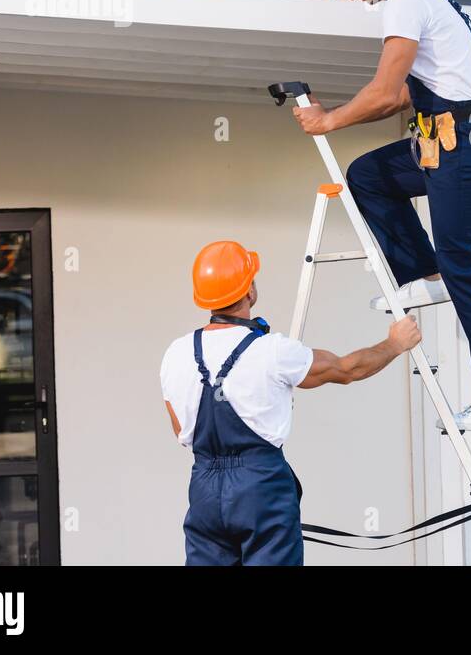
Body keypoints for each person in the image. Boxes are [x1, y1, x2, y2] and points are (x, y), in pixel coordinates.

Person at [290, 0, 471, 432]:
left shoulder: (408, 0)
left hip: (461, 144)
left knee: (469, 266)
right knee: (369, 175)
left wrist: (328, 120)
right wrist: (338, 116)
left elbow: (382, 86)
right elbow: (396, 98)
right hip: (449, 141)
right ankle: (425, 273)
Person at [160, 239, 421, 565]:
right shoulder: (273, 351)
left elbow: (182, 432)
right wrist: (395, 344)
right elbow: (347, 370)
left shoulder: (176, 354)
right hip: (261, 487)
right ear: (249, 291)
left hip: (204, 492)